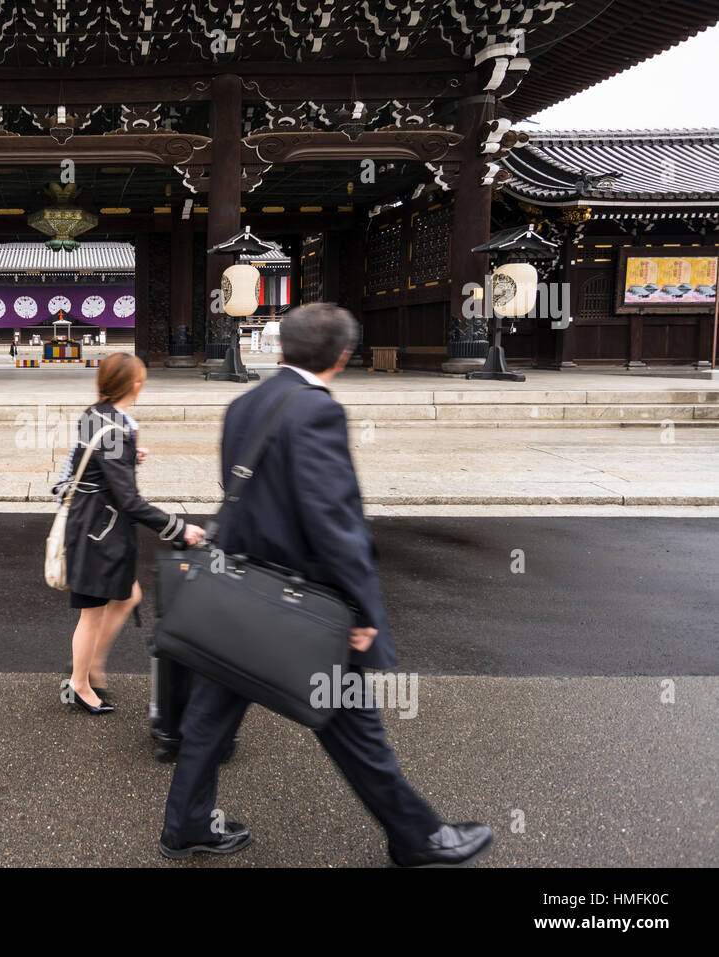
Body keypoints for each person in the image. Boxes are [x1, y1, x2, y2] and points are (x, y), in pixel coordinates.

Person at [159, 302, 494, 867]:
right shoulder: (316, 411)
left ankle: (187, 826)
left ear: (281, 349)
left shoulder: (245, 403)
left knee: (209, 719)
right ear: (343, 357)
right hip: (302, 605)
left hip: (237, 594)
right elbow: (333, 522)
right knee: (355, 728)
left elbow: (239, 488)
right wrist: (362, 612)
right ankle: (419, 839)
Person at [55, 353, 203, 715]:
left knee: (127, 595)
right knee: (92, 612)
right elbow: (131, 502)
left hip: (91, 523)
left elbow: (88, 463)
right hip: (99, 532)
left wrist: (127, 457)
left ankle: (92, 666)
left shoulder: (95, 414)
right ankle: (80, 682)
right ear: (134, 385)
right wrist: (179, 528)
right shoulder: (117, 430)